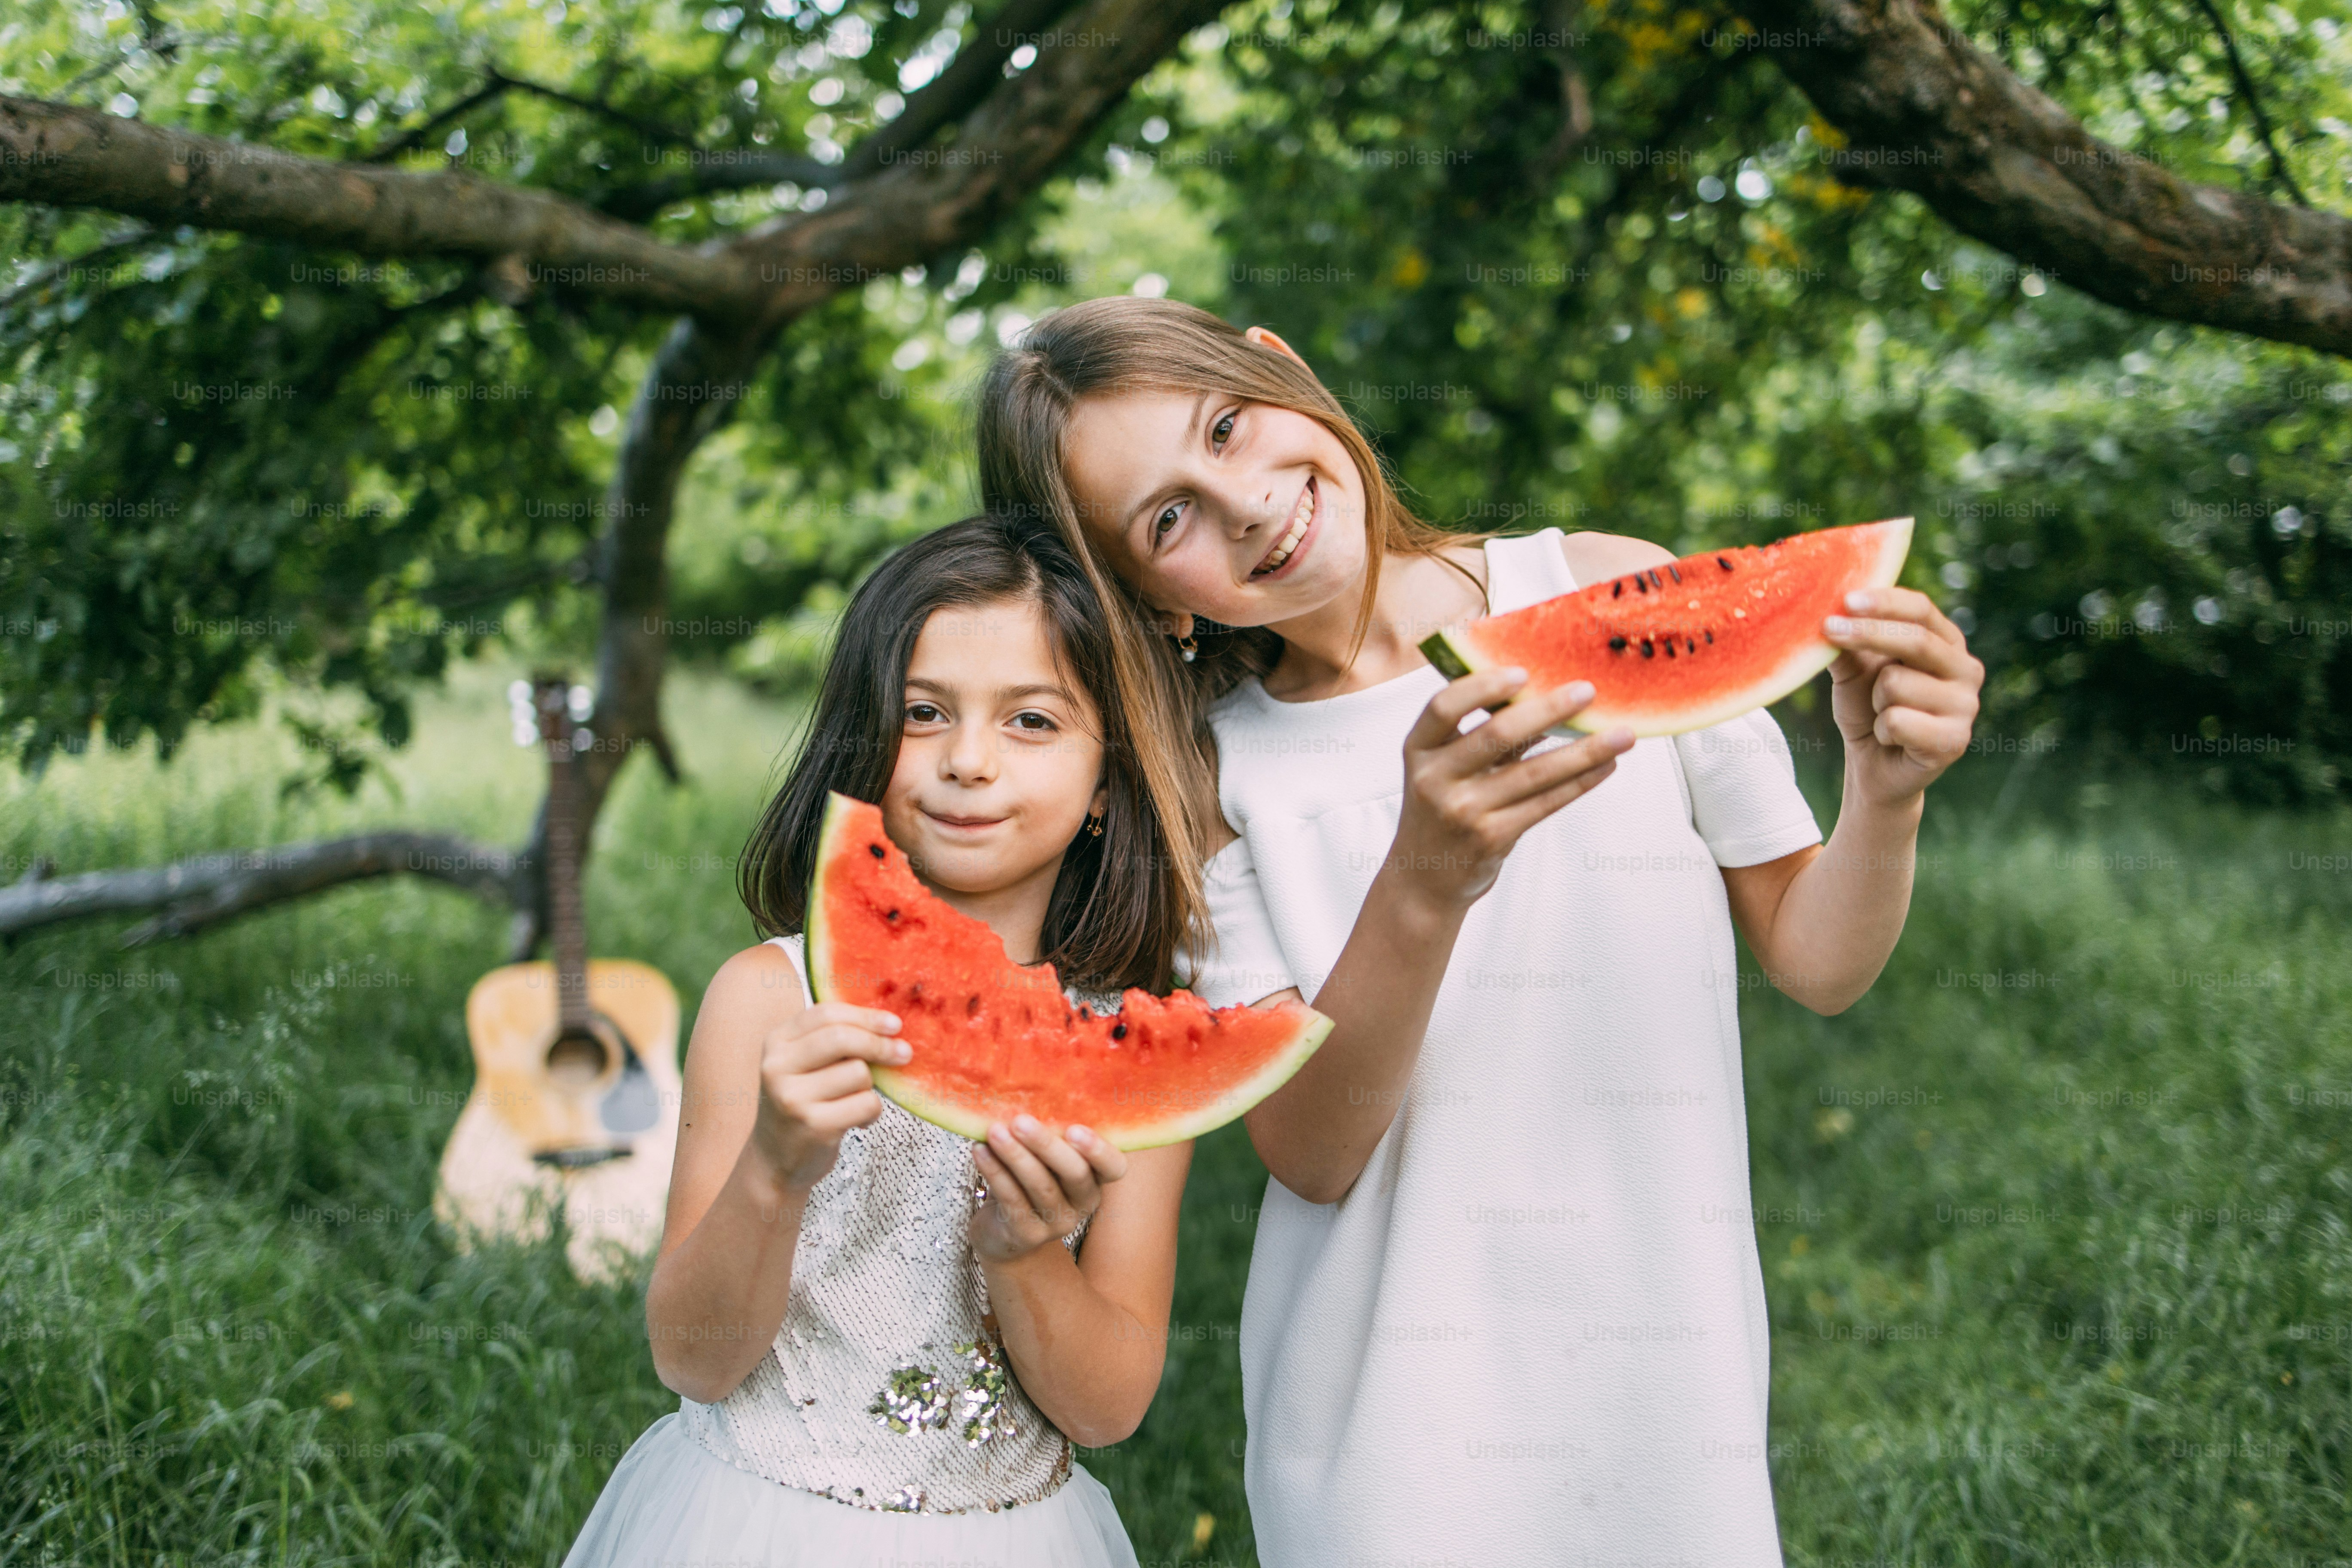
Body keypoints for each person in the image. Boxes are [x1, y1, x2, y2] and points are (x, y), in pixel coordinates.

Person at [978, 296, 1984, 1565]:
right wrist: (1426, 879)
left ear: (1285, 366)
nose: (1244, 503)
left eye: (1226, 428)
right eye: (1166, 518)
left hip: (1669, 1370)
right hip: (1395, 1433)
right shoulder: (1212, 779)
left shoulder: (1604, 584)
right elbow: (1311, 1153)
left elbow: (1816, 957)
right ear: (1142, 596)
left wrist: (1885, 789)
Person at [561, 514, 1210, 1565]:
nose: (969, 761)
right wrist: (773, 1168)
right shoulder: (769, 1001)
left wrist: (1024, 1251)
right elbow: (692, 1359)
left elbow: (1107, 1410)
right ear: (865, 742)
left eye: (1032, 721)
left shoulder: (1136, 1066)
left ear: (1107, 782)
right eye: (923, 712)